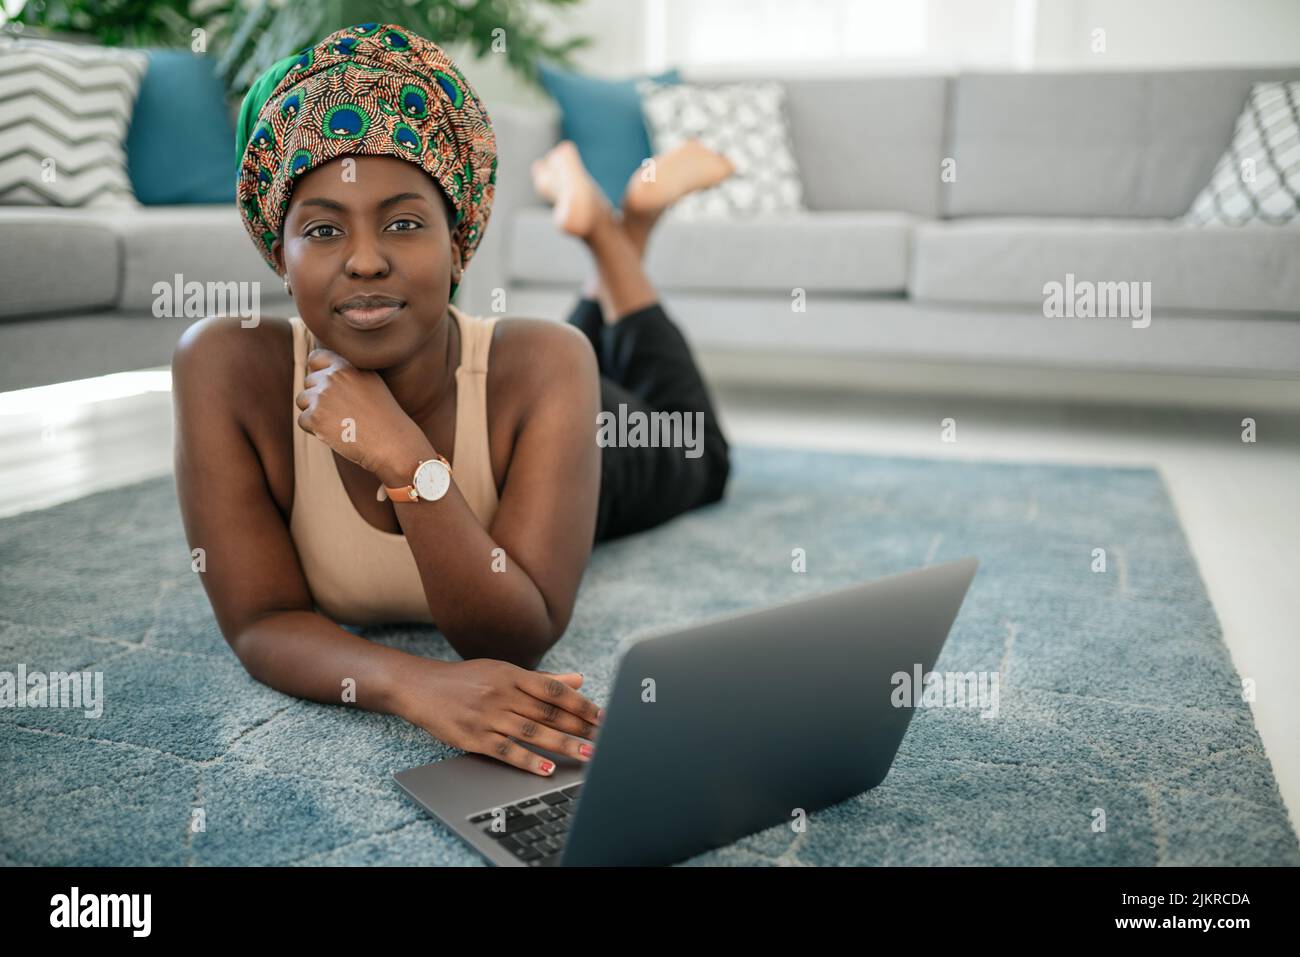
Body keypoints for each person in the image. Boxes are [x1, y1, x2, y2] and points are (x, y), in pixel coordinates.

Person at [171, 23, 734, 777]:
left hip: (575, 420)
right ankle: (611, 234)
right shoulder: (226, 366)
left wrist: (404, 456)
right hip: (488, 369)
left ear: (458, 239)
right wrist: (416, 684)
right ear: (280, 251)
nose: (365, 260)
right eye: (323, 229)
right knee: (577, 353)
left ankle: (614, 234)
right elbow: (259, 622)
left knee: (698, 449)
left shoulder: (544, 367)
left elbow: (511, 636)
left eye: (404, 223)